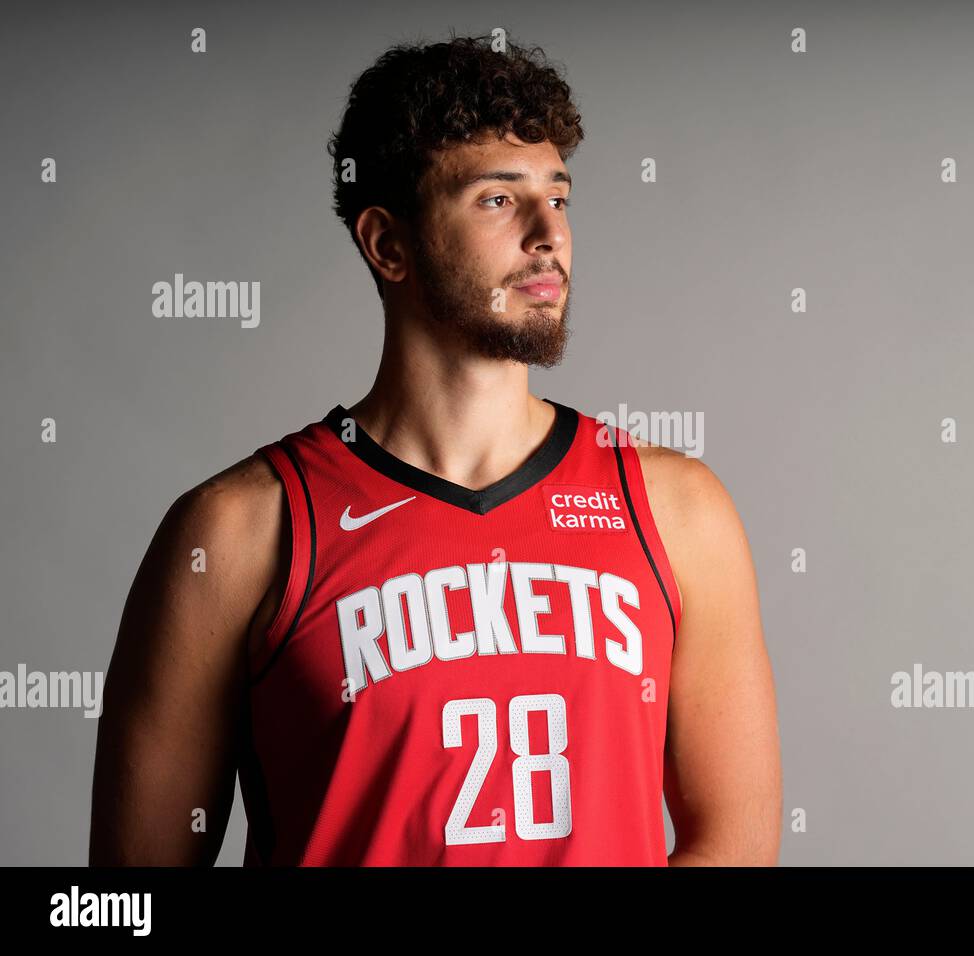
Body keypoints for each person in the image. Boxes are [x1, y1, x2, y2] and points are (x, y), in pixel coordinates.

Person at [89, 34, 780, 866]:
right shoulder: (236, 533)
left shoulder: (675, 509)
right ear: (389, 245)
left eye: (558, 198)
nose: (546, 234)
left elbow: (731, 841)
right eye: (497, 200)